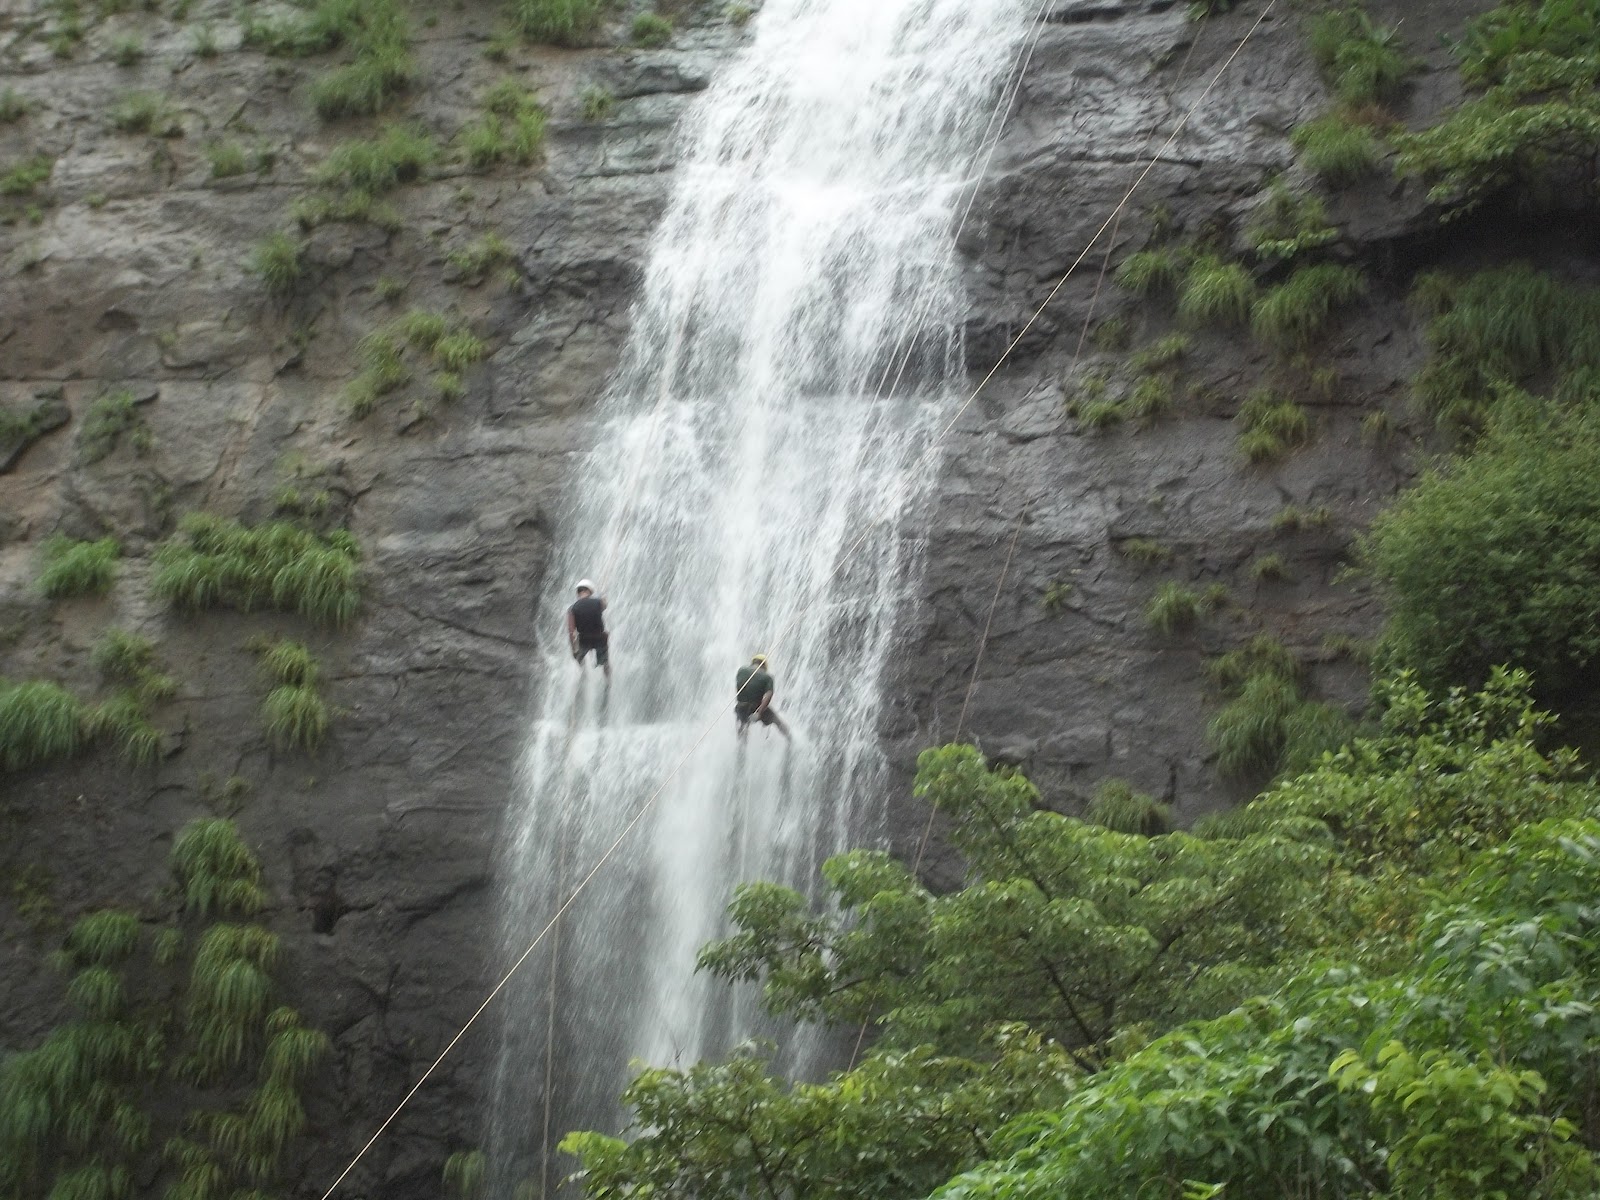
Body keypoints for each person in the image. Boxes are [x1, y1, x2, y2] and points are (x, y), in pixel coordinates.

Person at [734, 654, 789, 739]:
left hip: (741, 707)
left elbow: (741, 687)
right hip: (756, 707)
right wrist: (759, 713)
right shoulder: (767, 677)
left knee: (743, 724)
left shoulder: (741, 670)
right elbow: (768, 695)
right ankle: (791, 741)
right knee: (777, 721)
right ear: (764, 666)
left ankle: (740, 748)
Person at [566, 579, 610, 679]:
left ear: (578, 592)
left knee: (579, 658)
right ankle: (608, 680)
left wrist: (574, 650)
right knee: (605, 661)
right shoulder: (598, 603)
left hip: (584, 640)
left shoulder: (572, 609)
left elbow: (571, 630)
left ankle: (582, 674)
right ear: (590, 591)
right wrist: (602, 596)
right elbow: (605, 605)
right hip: (599, 638)